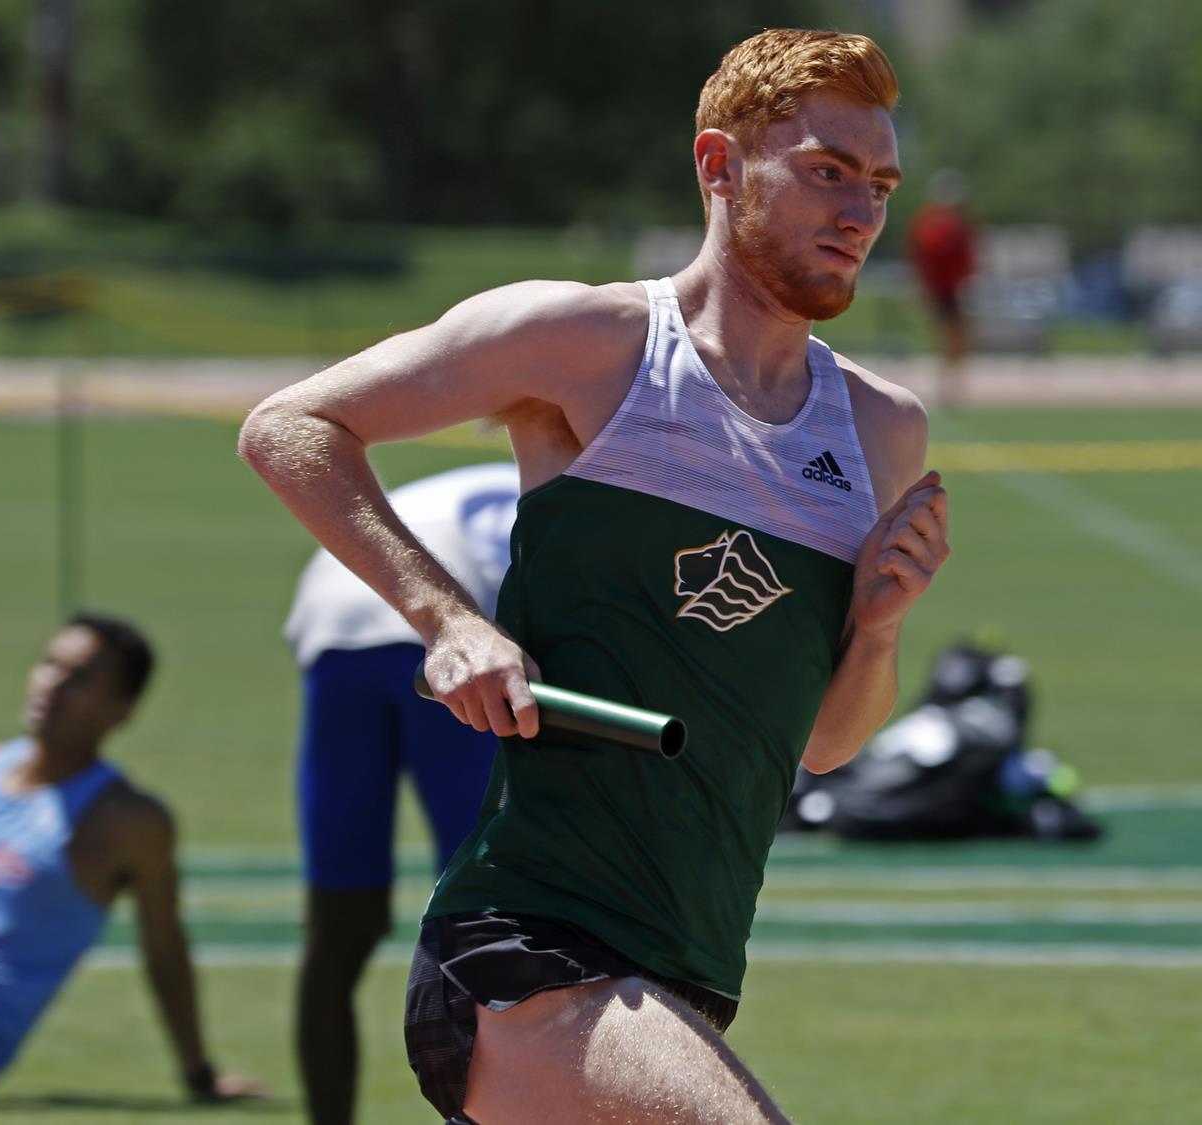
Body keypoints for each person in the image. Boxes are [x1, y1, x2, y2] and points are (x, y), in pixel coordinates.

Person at [239, 27, 948, 1125]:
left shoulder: (879, 430)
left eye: (878, 185)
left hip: (687, 978)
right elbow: (291, 428)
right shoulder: (586, 341)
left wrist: (880, 627)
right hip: (521, 952)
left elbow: (825, 741)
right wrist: (448, 621)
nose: (860, 213)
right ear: (719, 167)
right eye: (824, 173)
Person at [284, 462, 517, 1125]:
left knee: (340, 919)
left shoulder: (482, 480)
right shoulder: (565, 490)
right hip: (434, 629)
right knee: (489, 920)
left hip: (329, 616)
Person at [0, 614, 262, 1103]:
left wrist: (198, 1074)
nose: (53, 683)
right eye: (49, 664)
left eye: (80, 677)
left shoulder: (126, 820)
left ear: (121, 710)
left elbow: (164, 948)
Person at [905, 169, 976, 406]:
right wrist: (922, 288)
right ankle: (943, 383)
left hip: (955, 289)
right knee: (945, 337)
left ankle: (950, 382)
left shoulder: (959, 223)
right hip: (938, 289)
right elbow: (921, 257)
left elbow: (967, 256)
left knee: (957, 339)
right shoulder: (928, 223)